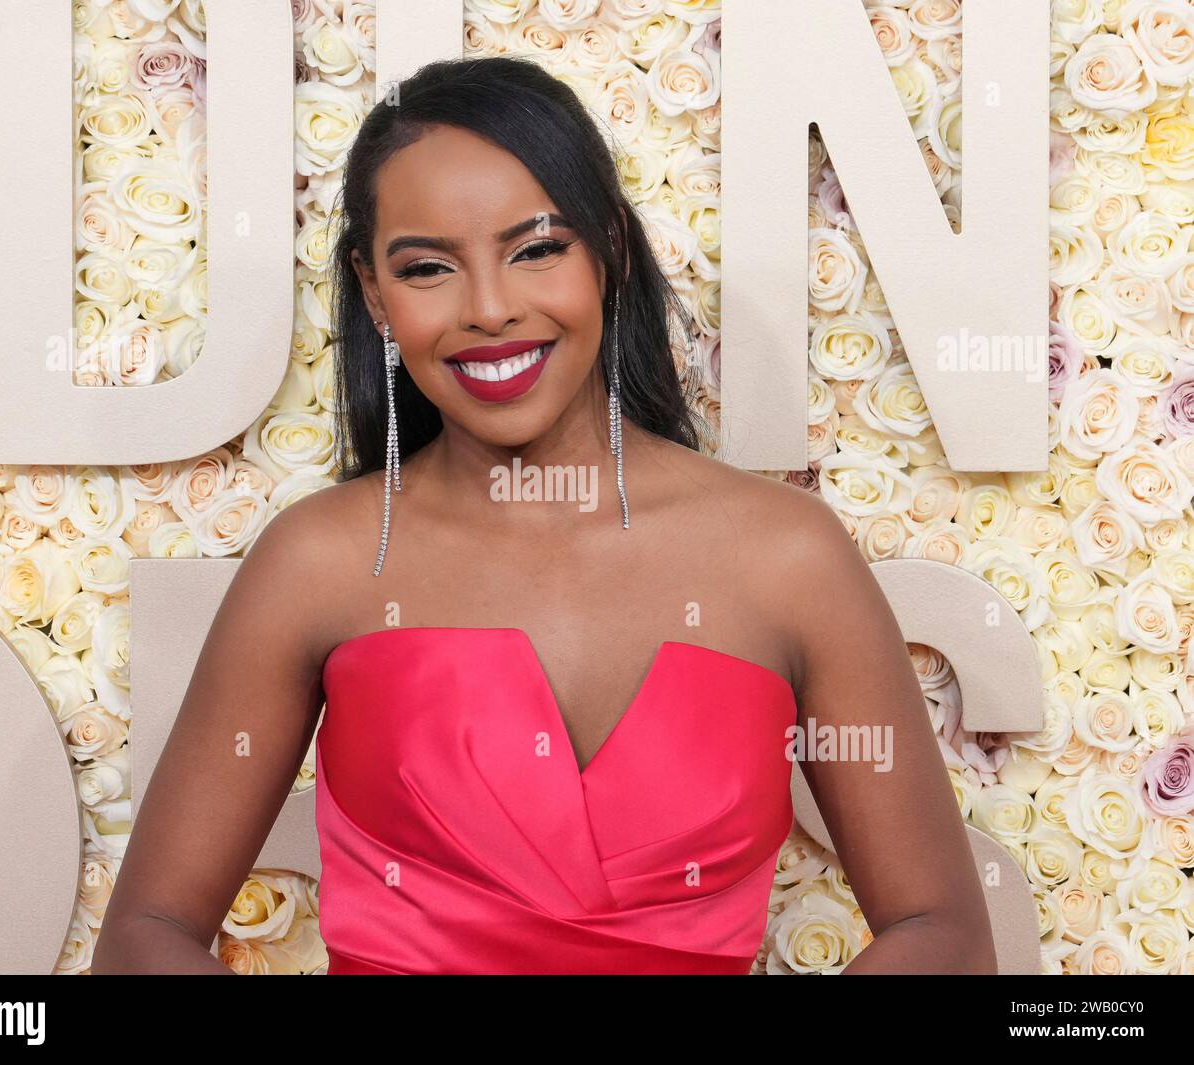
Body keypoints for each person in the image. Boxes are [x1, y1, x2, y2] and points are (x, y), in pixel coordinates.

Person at [92, 55, 996, 975]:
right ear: (373, 292)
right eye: (428, 267)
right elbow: (146, 934)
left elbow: (942, 933)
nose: (490, 310)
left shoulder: (786, 558)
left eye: (537, 249)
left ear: (611, 248)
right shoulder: (319, 563)